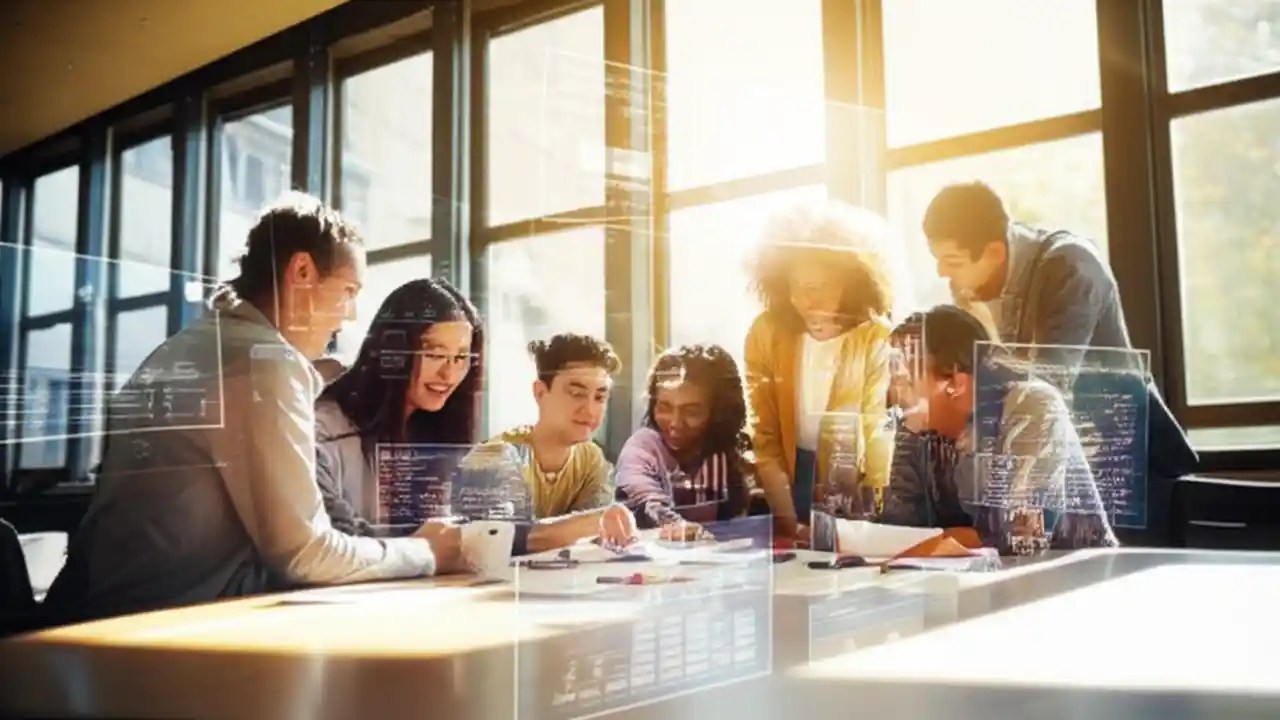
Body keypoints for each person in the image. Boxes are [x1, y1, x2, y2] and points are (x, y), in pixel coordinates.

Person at [43, 194, 461, 623]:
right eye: (348, 291)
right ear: (301, 271)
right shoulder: (264, 365)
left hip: (103, 614)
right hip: (159, 633)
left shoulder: (188, 348)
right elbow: (305, 553)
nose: (350, 315)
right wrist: (424, 551)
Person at [922, 181, 1198, 543]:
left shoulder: (1069, 266)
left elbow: (1050, 381)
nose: (943, 273)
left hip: (1118, 454)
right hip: (1047, 458)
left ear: (994, 251)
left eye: (952, 261)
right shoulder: (970, 285)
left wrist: (976, 365)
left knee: (1113, 577)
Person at [315, 279, 636, 555]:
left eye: (460, 358)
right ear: (391, 351)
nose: (449, 372)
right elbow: (332, 541)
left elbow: (490, 535)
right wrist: (425, 548)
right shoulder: (327, 429)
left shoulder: (434, 433)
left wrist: (589, 522)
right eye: (435, 354)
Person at [880, 306, 1118, 554]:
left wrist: (925, 542)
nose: (894, 398)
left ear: (954, 382)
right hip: (971, 582)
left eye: (907, 382)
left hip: (1070, 579)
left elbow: (1018, 537)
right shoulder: (916, 430)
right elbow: (899, 525)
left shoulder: (1032, 405)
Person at [744, 200, 902, 540]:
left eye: (814, 288)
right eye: (793, 286)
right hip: (786, 477)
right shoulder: (766, 333)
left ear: (850, 283)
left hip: (853, 481)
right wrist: (788, 521)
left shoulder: (876, 335)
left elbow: (877, 432)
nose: (801, 300)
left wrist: (876, 515)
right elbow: (764, 437)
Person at [615, 345, 752, 531]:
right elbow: (646, 502)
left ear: (720, 414)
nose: (675, 423)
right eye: (664, 407)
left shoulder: (729, 454)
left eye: (692, 412)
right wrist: (677, 527)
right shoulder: (642, 447)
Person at [484, 334, 620, 519]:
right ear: (540, 392)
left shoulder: (591, 459)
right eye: (576, 393)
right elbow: (503, 536)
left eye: (600, 397)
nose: (590, 410)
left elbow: (595, 531)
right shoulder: (497, 455)